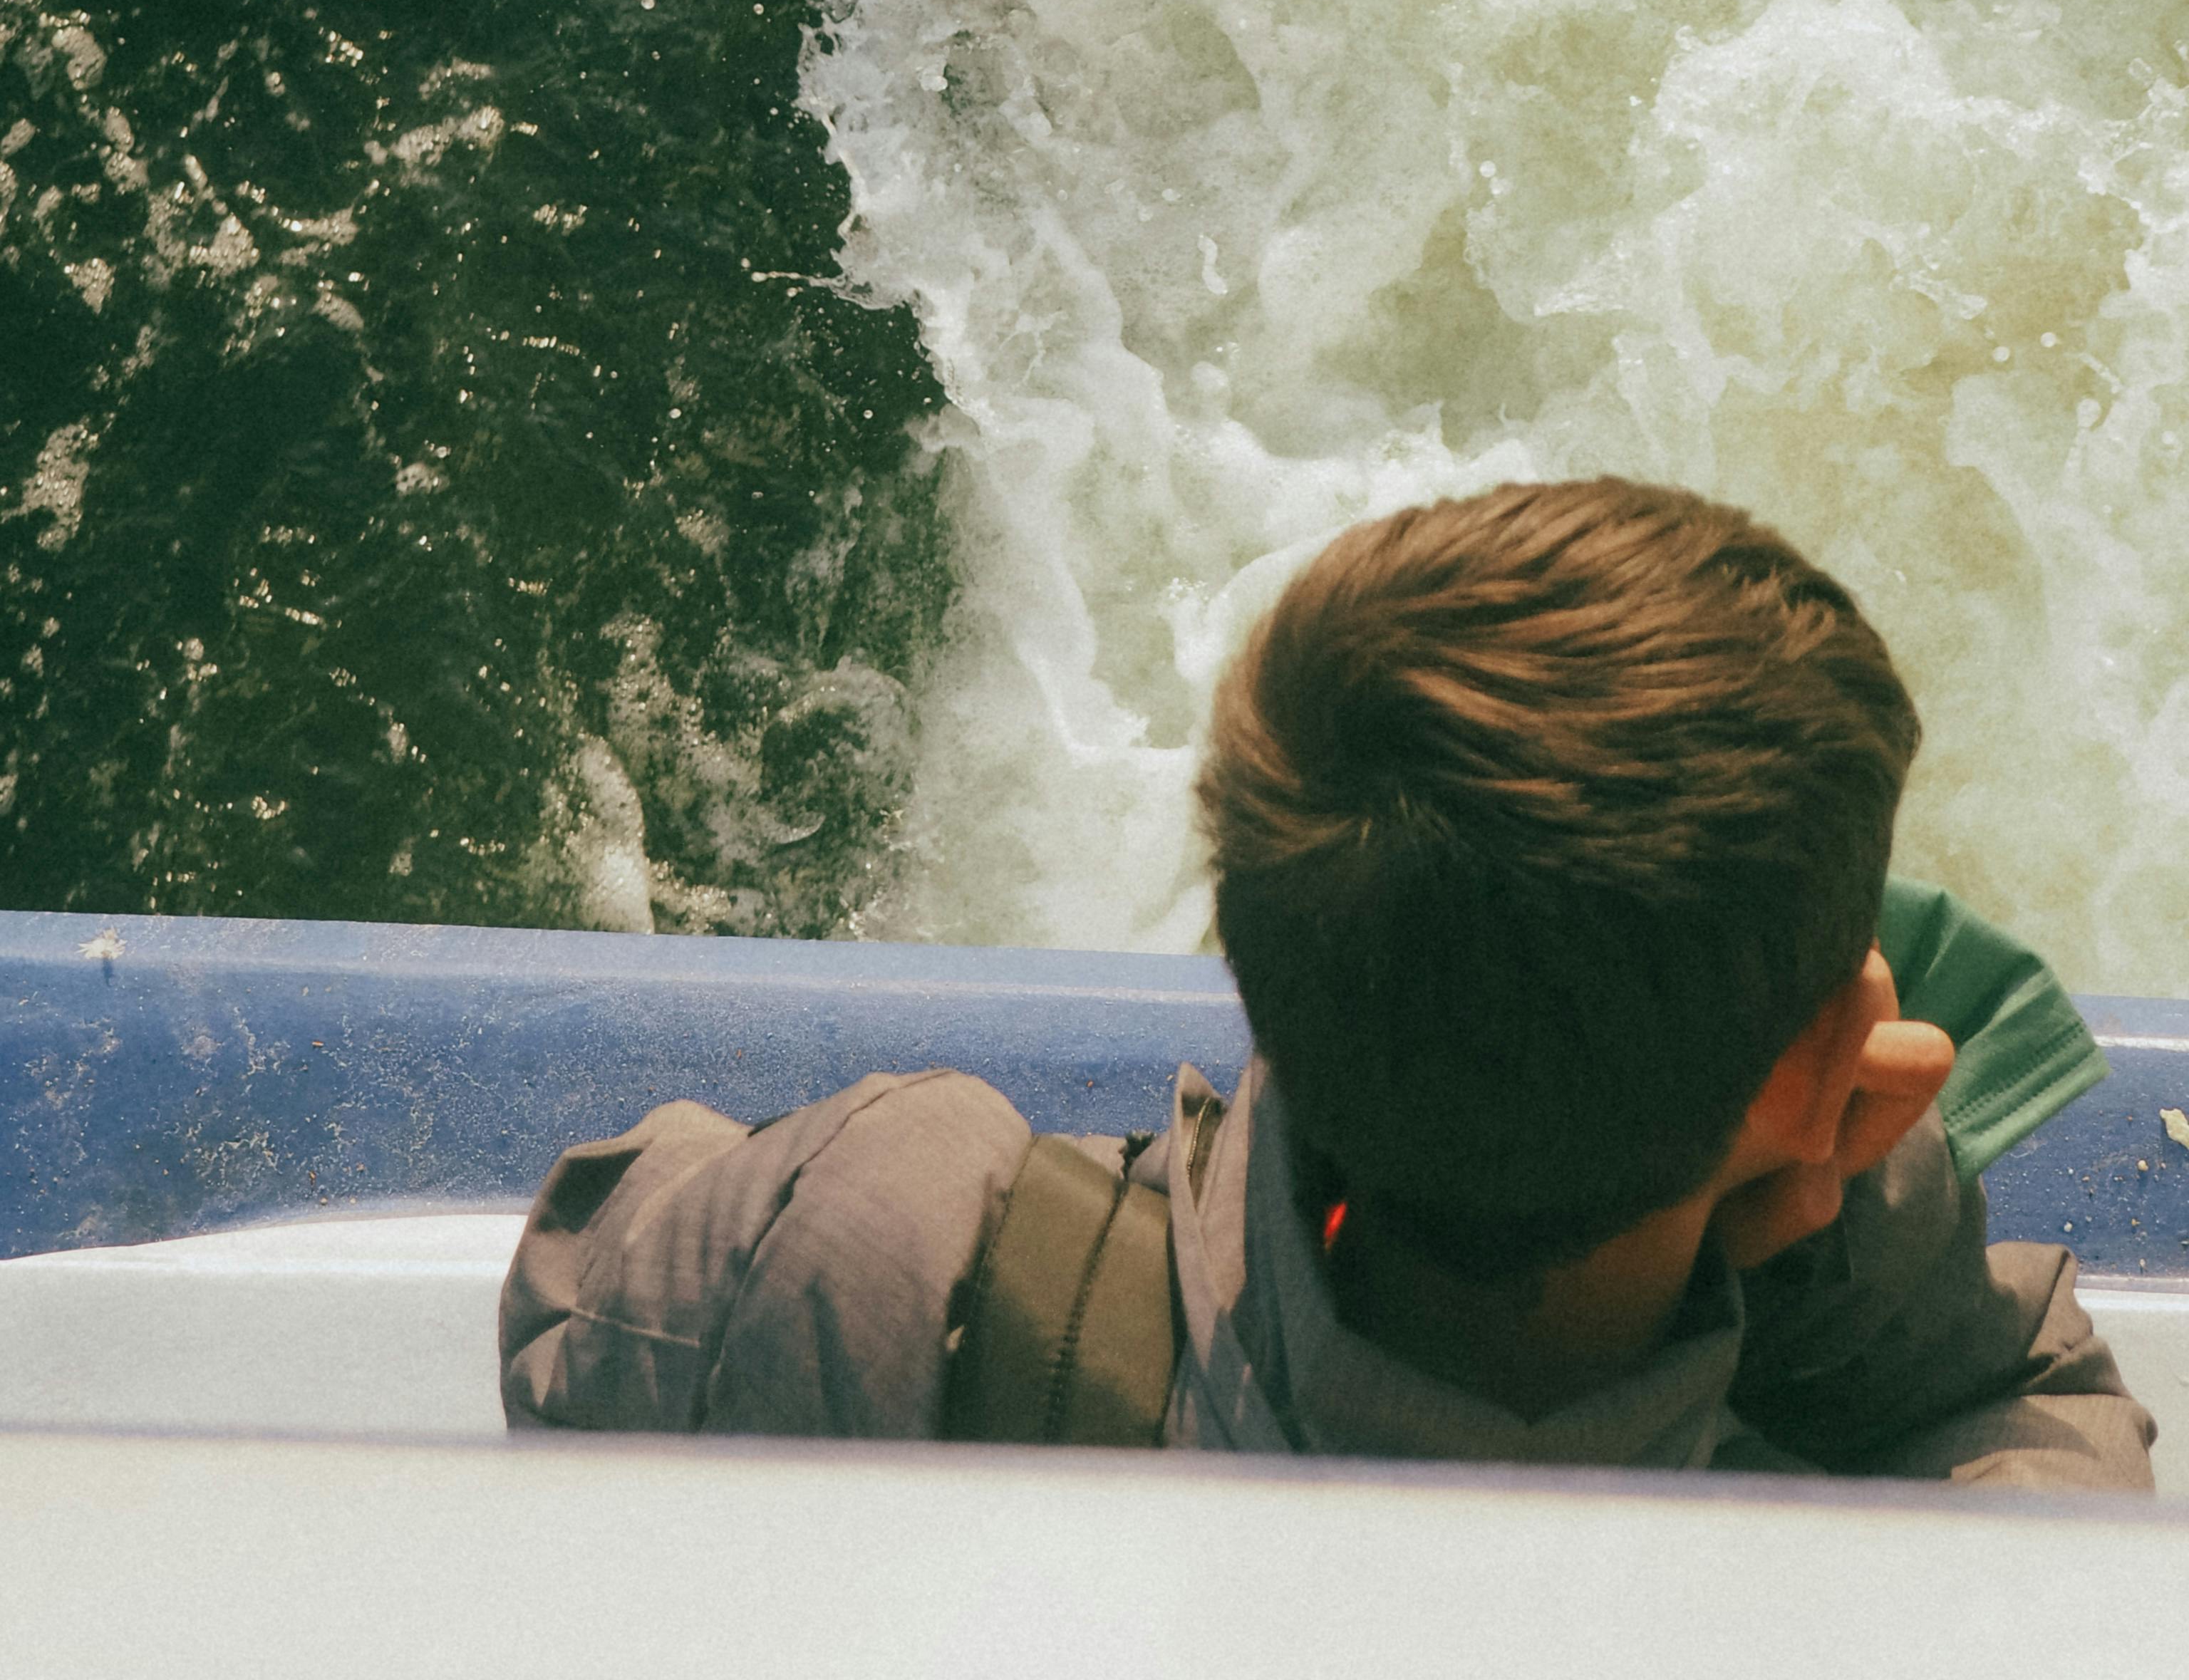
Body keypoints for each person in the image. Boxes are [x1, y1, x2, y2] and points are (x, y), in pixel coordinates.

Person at [499, 478, 2155, 1484]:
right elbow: (2021, 1392)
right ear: (1810, 1084)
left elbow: (587, 1271)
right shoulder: (1841, 1310)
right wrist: (1784, 1250)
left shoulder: (891, 1240)